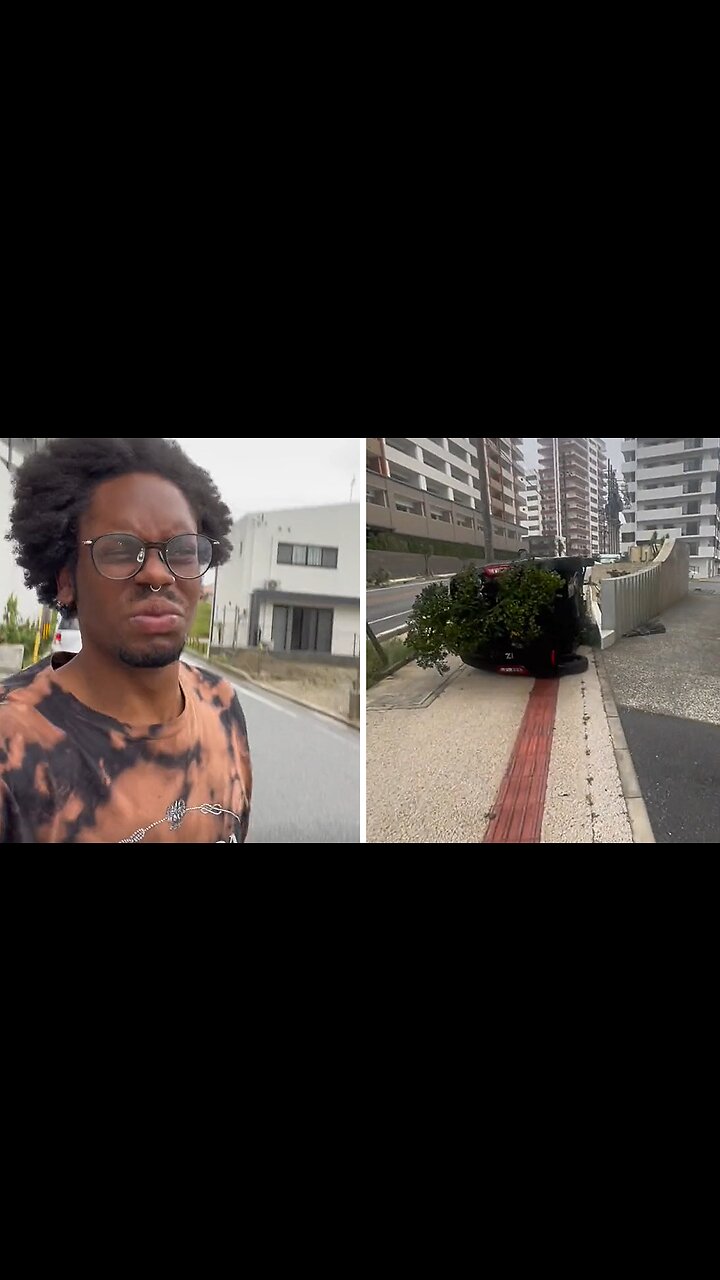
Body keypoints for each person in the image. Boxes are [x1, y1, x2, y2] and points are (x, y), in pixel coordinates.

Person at [0, 438, 251, 843]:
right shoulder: (12, 746)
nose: (157, 574)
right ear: (66, 581)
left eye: (182, 550)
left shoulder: (220, 705)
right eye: (119, 549)